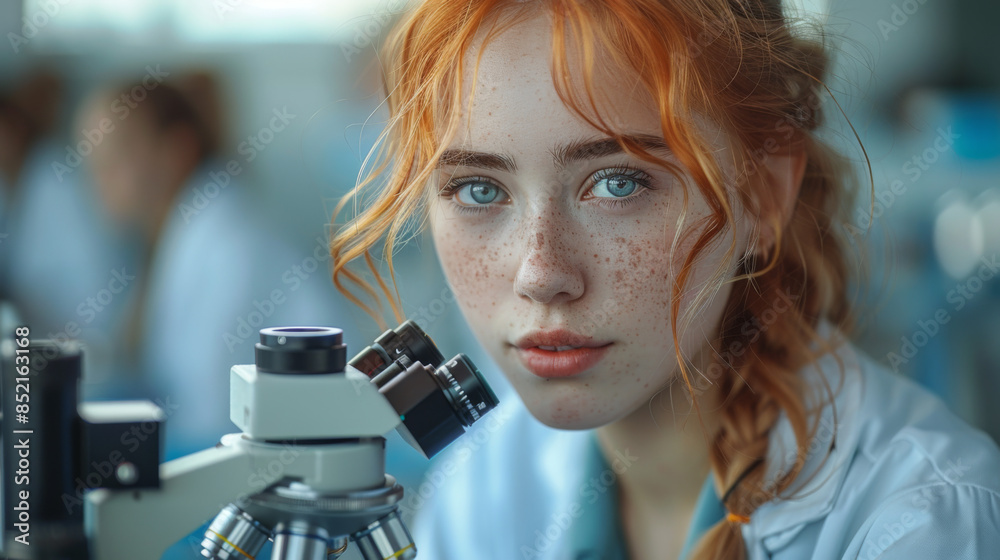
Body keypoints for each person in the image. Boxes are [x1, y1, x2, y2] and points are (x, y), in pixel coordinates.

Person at [329, 1, 1000, 559]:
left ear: (763, 194)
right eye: (478, 188)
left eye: (618, 183)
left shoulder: (921, 519)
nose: (540, 274)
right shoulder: (487, 488)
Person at [79, 78, 346, 459]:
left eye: (116, 156)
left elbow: (208, 419)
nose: (98, 176)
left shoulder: (229, 245)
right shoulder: (181, 235)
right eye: (91, 160)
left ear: (177, 151)